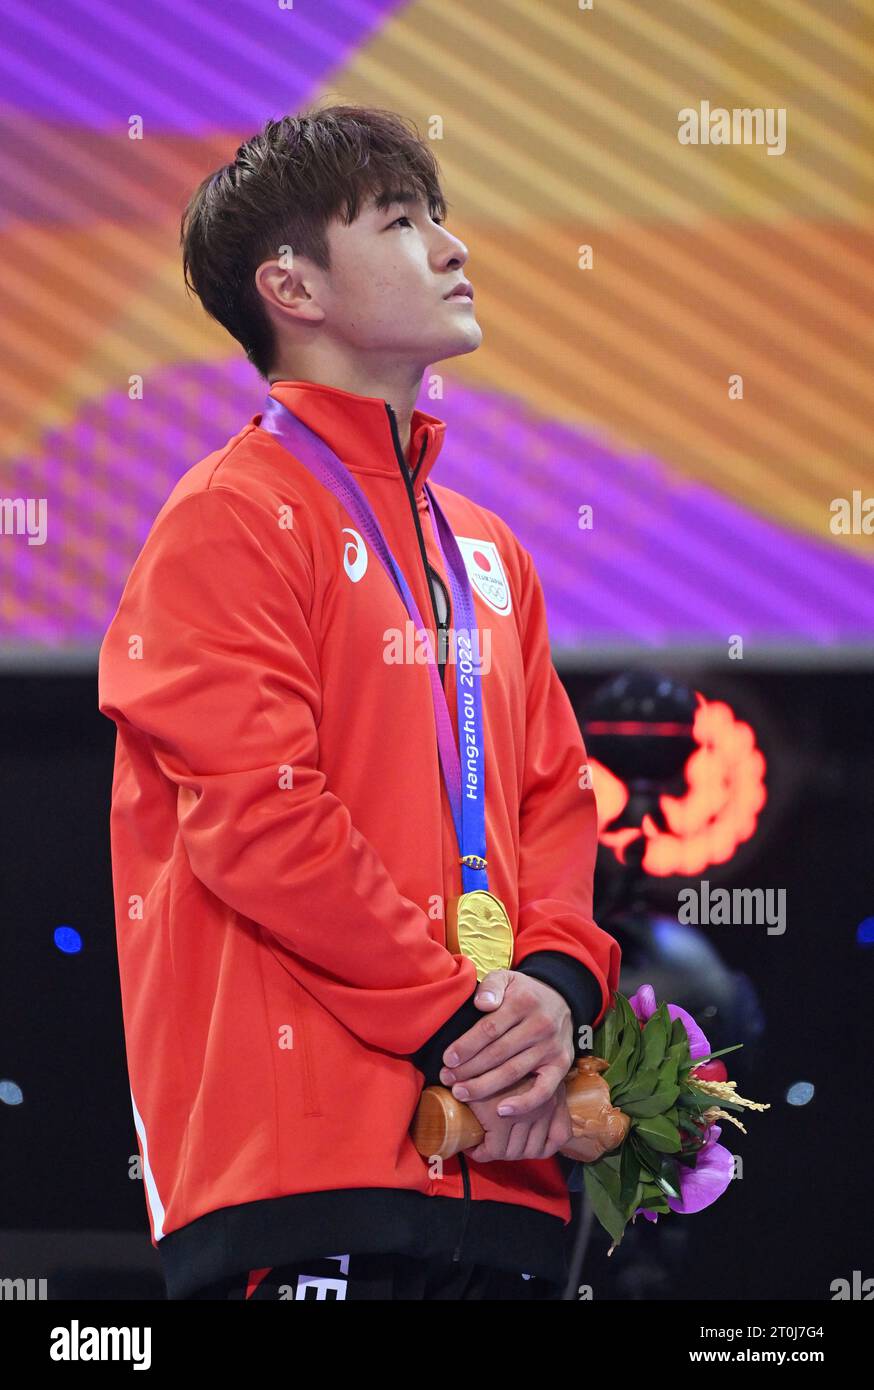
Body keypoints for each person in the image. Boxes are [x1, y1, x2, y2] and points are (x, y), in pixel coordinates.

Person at [98, 104, 621, 1302]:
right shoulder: (229, 516)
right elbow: (260, 820)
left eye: (441, 217)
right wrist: (463, 1025)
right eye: (400, 221)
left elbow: (555, 801)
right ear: (292, 286)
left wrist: (549, 990)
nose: (452, 247)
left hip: (509, 1171)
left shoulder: (487, 550)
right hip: (308, 1169)